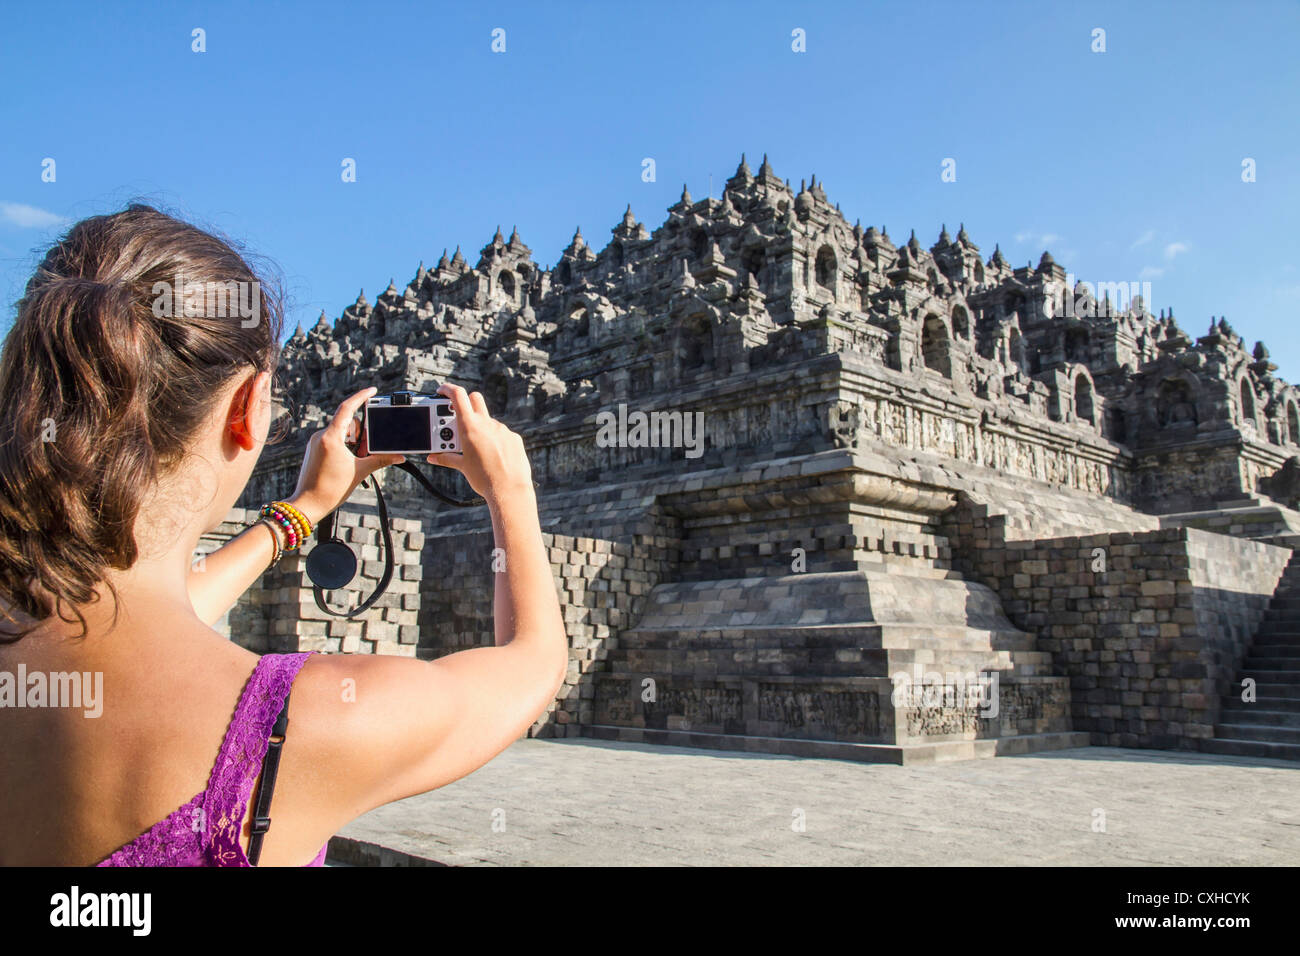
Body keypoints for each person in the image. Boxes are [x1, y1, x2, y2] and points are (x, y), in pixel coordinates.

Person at [0, 204, 567, 866]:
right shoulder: (300, 724)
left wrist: (306, 508)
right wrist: (511, 491)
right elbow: (532, 666)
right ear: (247, 409)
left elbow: (153, 609)